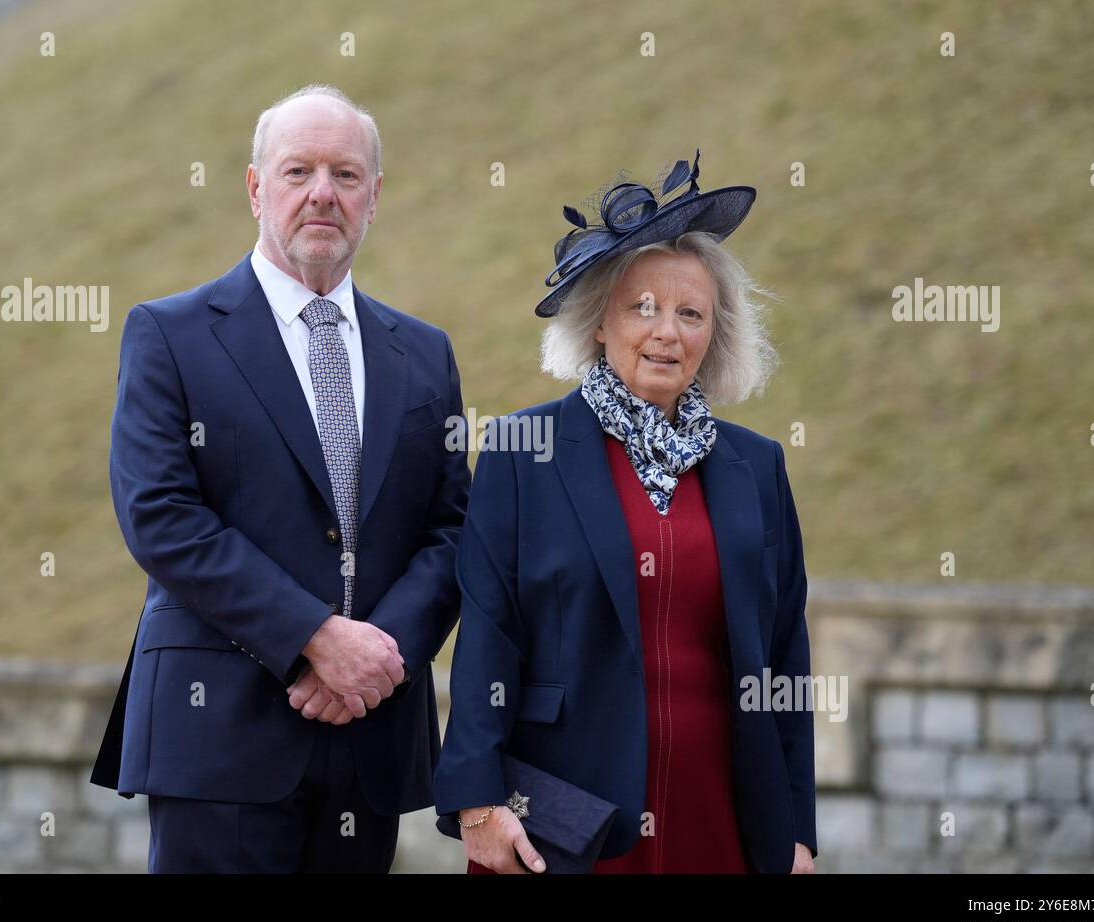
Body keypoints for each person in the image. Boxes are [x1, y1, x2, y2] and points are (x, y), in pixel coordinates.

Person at [89, 84, 470, 873]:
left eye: (347, 174)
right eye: (298, 171)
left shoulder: (426, 354)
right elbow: (161, 515)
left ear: (375, 198)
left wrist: (377, 657)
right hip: (218, 737)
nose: (323, 193)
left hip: (368, 736)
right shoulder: (170, 334)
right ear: (256, 187)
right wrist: (315, 639)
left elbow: (452, 530)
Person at [433, 151, 817, 873]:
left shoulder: (757, 467)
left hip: (724, 823)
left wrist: (795, 832)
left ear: (714, 336)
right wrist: (478, 806)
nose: (666, 331)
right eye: (643, 307)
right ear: (600, 322)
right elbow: (487, 639)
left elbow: (784, 657)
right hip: (562, 826)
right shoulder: (523, 450)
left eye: (690, 313)